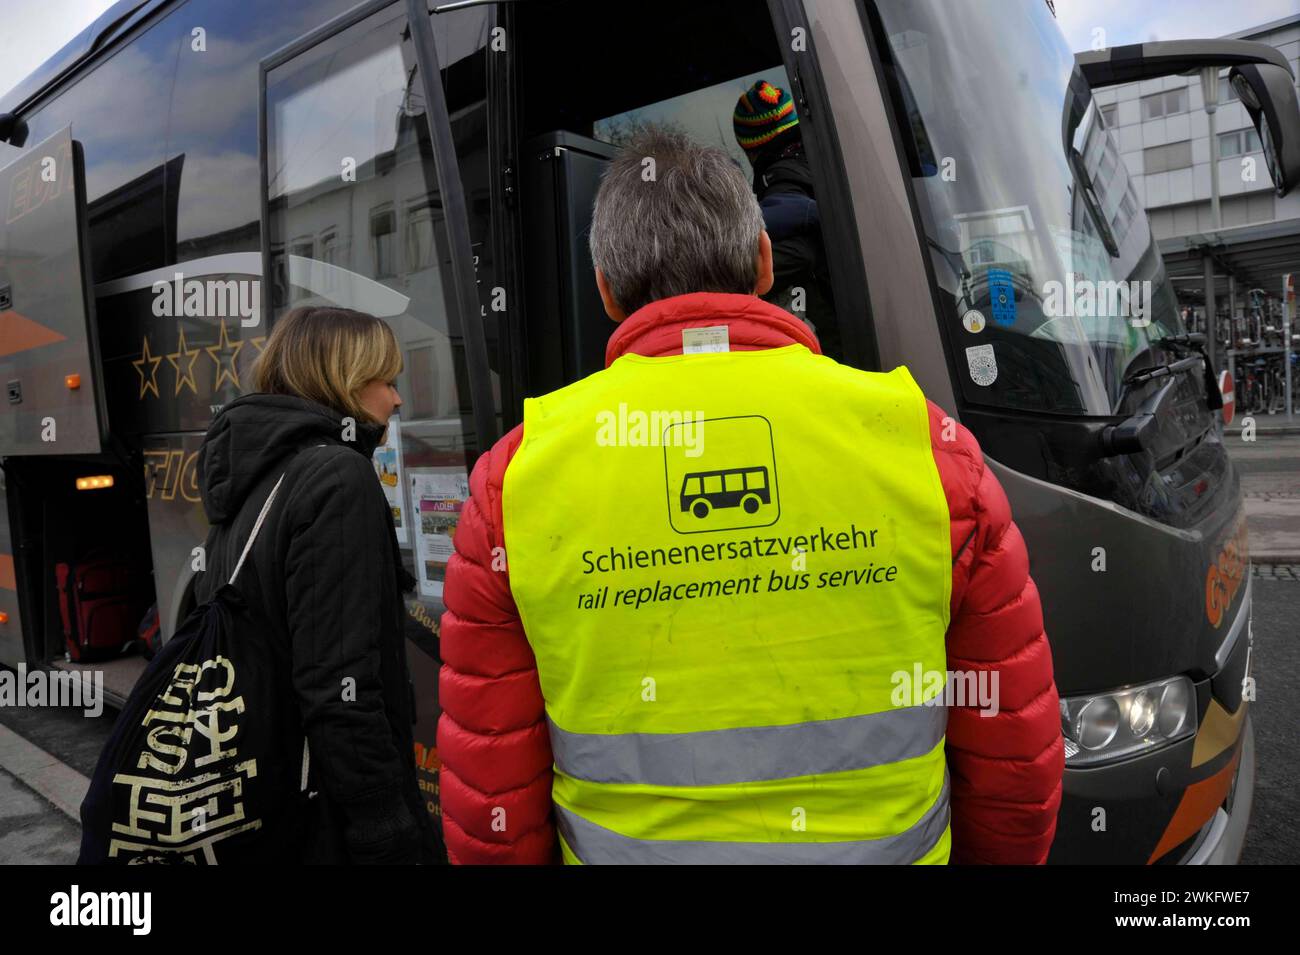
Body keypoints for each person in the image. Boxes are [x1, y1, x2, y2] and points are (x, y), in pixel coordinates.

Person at [438, 128, 1063, 865]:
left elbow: (492, 804)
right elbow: (1013, 760)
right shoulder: (930, 451)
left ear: (605, 289)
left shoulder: (513, 484)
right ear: (764, 262)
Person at [194, 305, 434, 864]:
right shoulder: (338, 476)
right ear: (343, 380)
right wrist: (387, 828)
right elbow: (339, 686)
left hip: (260, 781)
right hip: (319, 809)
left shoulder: (258, 467)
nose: (397, 400)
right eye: (387, 380)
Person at [733, 78, 838, 357]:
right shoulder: (821, 165)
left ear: (753, 150)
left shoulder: (782, 179)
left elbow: (800, 254)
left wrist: (729, 276)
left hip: (829, 333)